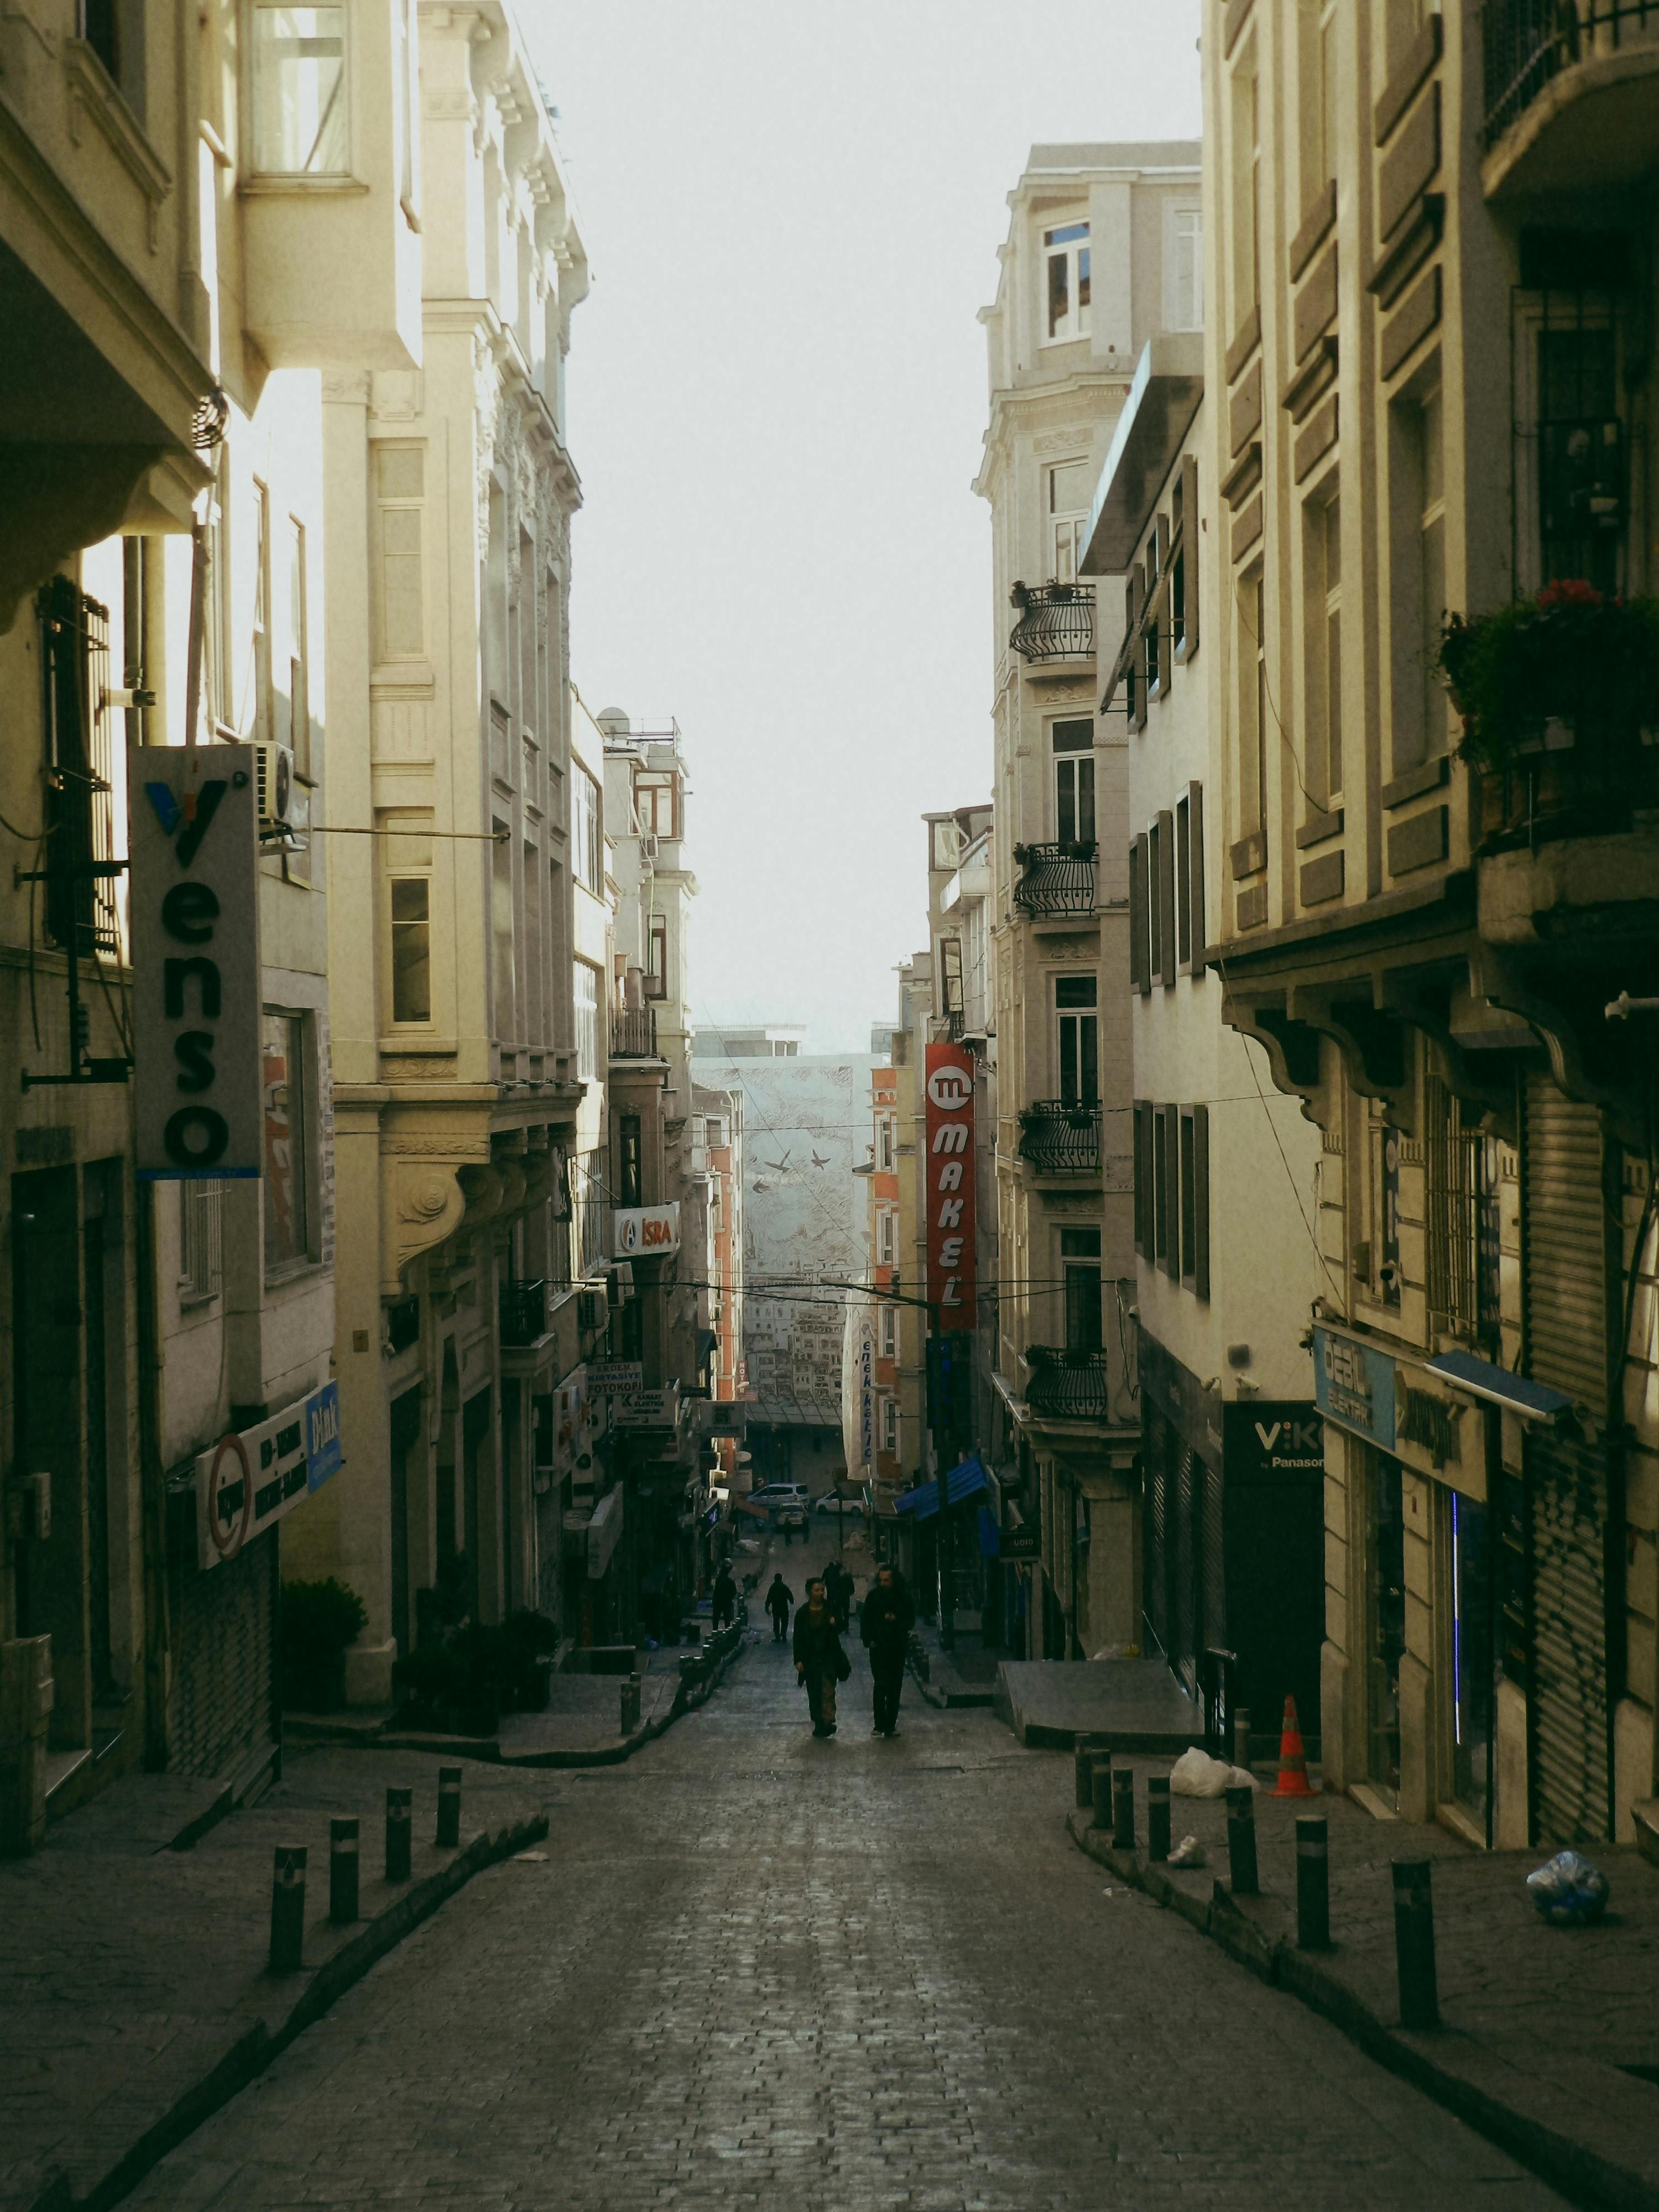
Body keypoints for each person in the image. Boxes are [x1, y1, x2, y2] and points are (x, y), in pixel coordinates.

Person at [859, 1563, 916, 1738]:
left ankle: (890, 1725)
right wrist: (869, 1641)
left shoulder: (903, 1598)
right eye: (881, 1580)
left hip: (897, 1647)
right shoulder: (874, 1597)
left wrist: (896, 1619)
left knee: (895, 1687)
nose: (883, 1583)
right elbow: (865, 1620)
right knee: (881, 1684)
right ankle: (879, 1724)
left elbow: (910, 1621)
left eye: (887, 1580)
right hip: (878, 1648)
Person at [793, 1577, 851, 1738]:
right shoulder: (803, 1613)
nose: (820, 1593)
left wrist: (836, 1622)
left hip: (829, 1658)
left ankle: (828, 1720)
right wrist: (798, 1660)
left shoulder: (830, 1609)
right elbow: (797, 1638)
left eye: (822, 1590)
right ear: (809, 1592)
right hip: (811, 1659)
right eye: (816, 1590)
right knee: (814, 1692)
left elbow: (842, 1624)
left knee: (828, 1690)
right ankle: (819, 1722)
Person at [764, 1573, 794, 1641]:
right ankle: (783, 1635)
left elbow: (769, 1598)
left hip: (776, 1608)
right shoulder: (784, 1587)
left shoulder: (773, 1588)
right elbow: (790, 1595)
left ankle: (777, 1636)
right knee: (785, 1622)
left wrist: (767, 1606)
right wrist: (791, 1600)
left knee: (776, 1622)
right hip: (784, 1608)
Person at [711, 1563, 737, 1631]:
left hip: (720, 1602)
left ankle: (716, 1632)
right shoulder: (727, 1581)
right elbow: (734, 1592)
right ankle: (723, 1632)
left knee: (718, 1619)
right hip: (724, 1603)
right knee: (725, 1619)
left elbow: (716, 1591)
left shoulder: (720, 1580)